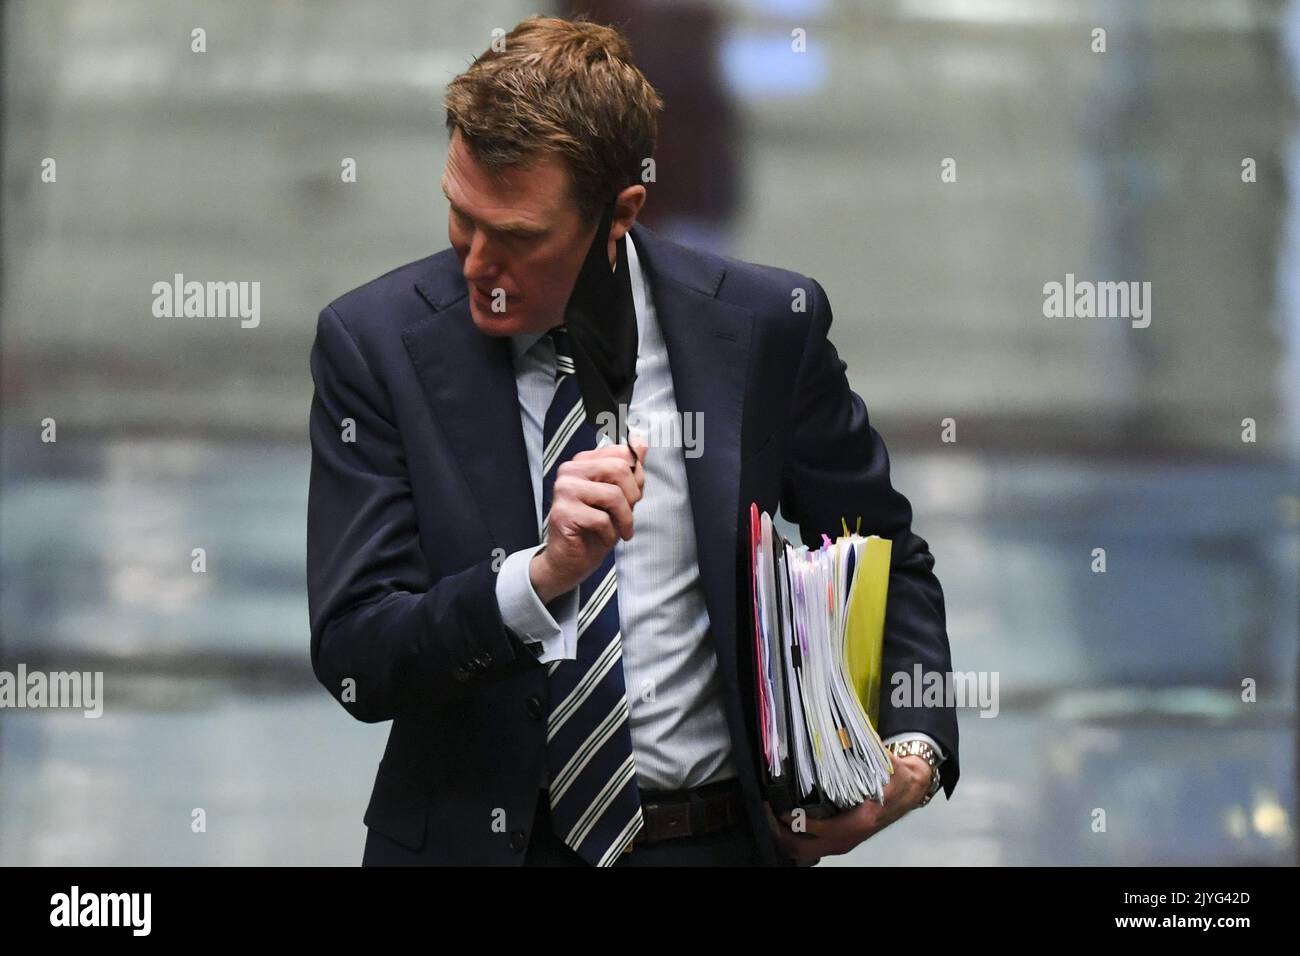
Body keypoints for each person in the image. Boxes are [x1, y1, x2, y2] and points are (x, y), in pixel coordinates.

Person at [306, 14, 958, 867]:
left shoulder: (760, 329)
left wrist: (914, 749)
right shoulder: (376, 344)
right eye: (461, 217)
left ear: (621, 214)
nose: (475, 263)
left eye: (518, 238)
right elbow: (358, 652)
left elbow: (885, 550)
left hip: (712, 841)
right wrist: (533, 583)